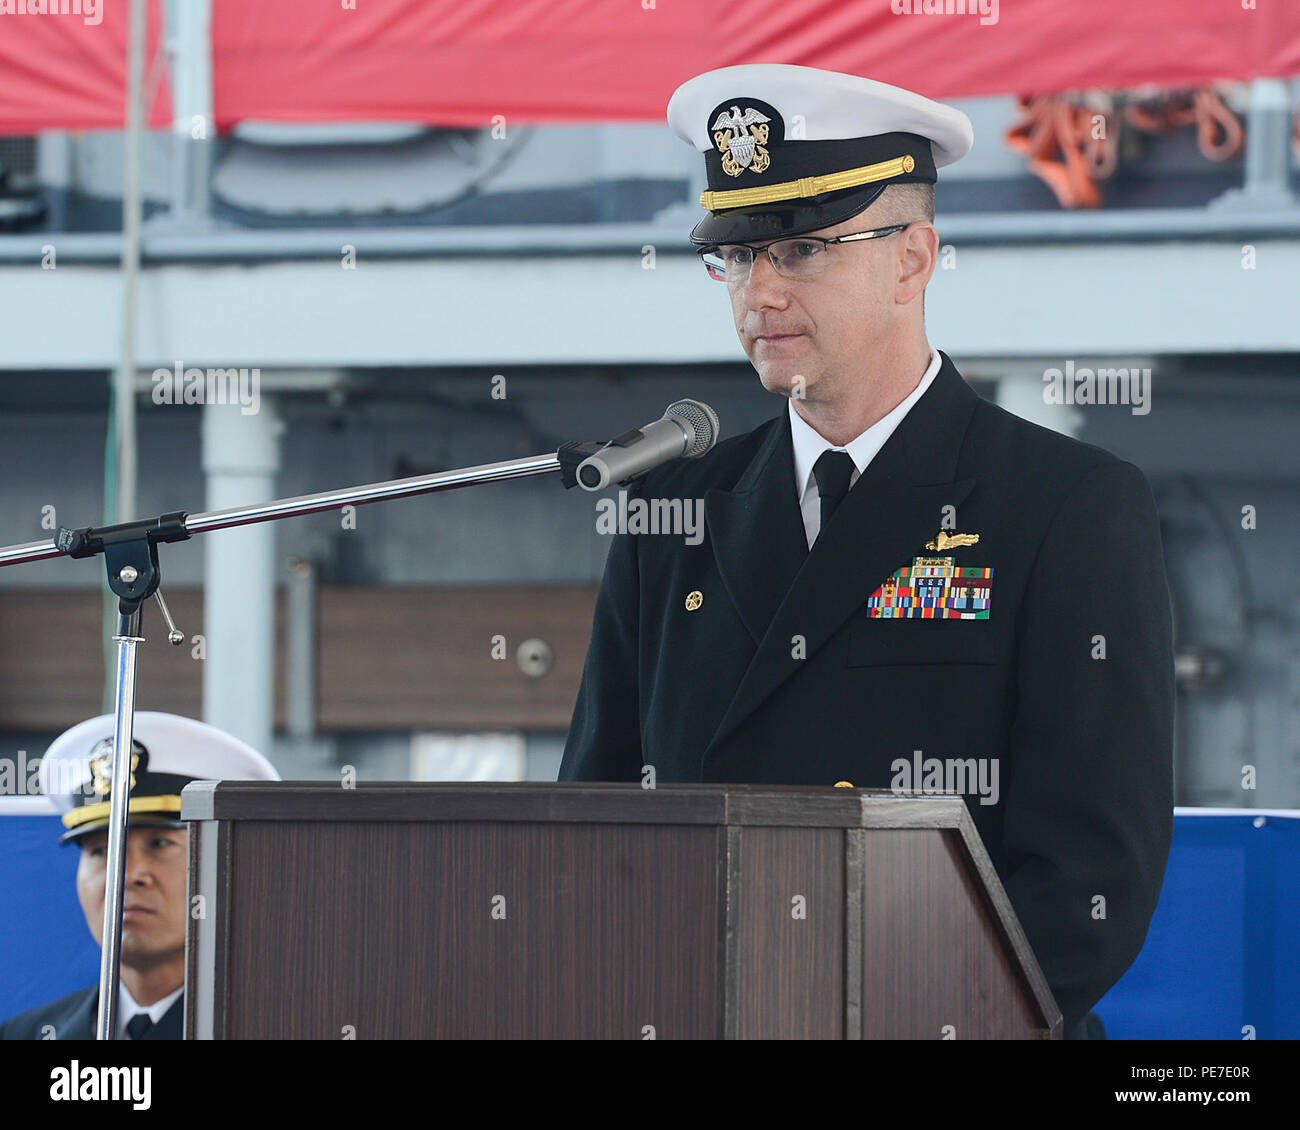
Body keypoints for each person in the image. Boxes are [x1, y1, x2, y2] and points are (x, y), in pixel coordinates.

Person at [559, 64, 1175, 1040]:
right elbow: (591, 831)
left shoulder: (1066, 507)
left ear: (913, 259)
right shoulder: (672, 511)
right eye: (736, 254)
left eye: (801, 248)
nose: (759, 290)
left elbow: (1091, 878)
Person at [0, 712, 279, 1040]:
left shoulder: (284, 1028)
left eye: (160, 844)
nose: (126, 875)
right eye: (100, 851)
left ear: (230, 865)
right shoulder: (24, 1034)